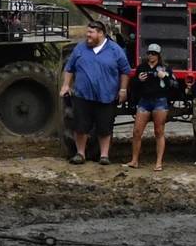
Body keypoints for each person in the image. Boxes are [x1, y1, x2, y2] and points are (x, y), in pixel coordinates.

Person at [58, 20, 131, 165]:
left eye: (91, 33)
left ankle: (104, 156)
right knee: (80, 127)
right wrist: (65, 85)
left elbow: (125, 71)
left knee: (105, 128)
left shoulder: (115, 50)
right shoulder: (80, 48)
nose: (87, 35)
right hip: (82, 96)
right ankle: (80, 154)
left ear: (101, 33)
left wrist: (123, 89)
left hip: (106, 96)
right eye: (87, 32)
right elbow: (69, 68)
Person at [122, 43, 179, 169]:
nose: (151, 56)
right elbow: (133, 86)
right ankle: (134, 160)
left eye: (153, 54)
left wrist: (165, 77)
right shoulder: (141, 68)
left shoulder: (165, 68)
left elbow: (175, 85)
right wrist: (138, 80)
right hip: (144, 101)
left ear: (158, 55)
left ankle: (158, 163)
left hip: (160, 101)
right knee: (137, 131)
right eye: (149, 53)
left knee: (159, 131)